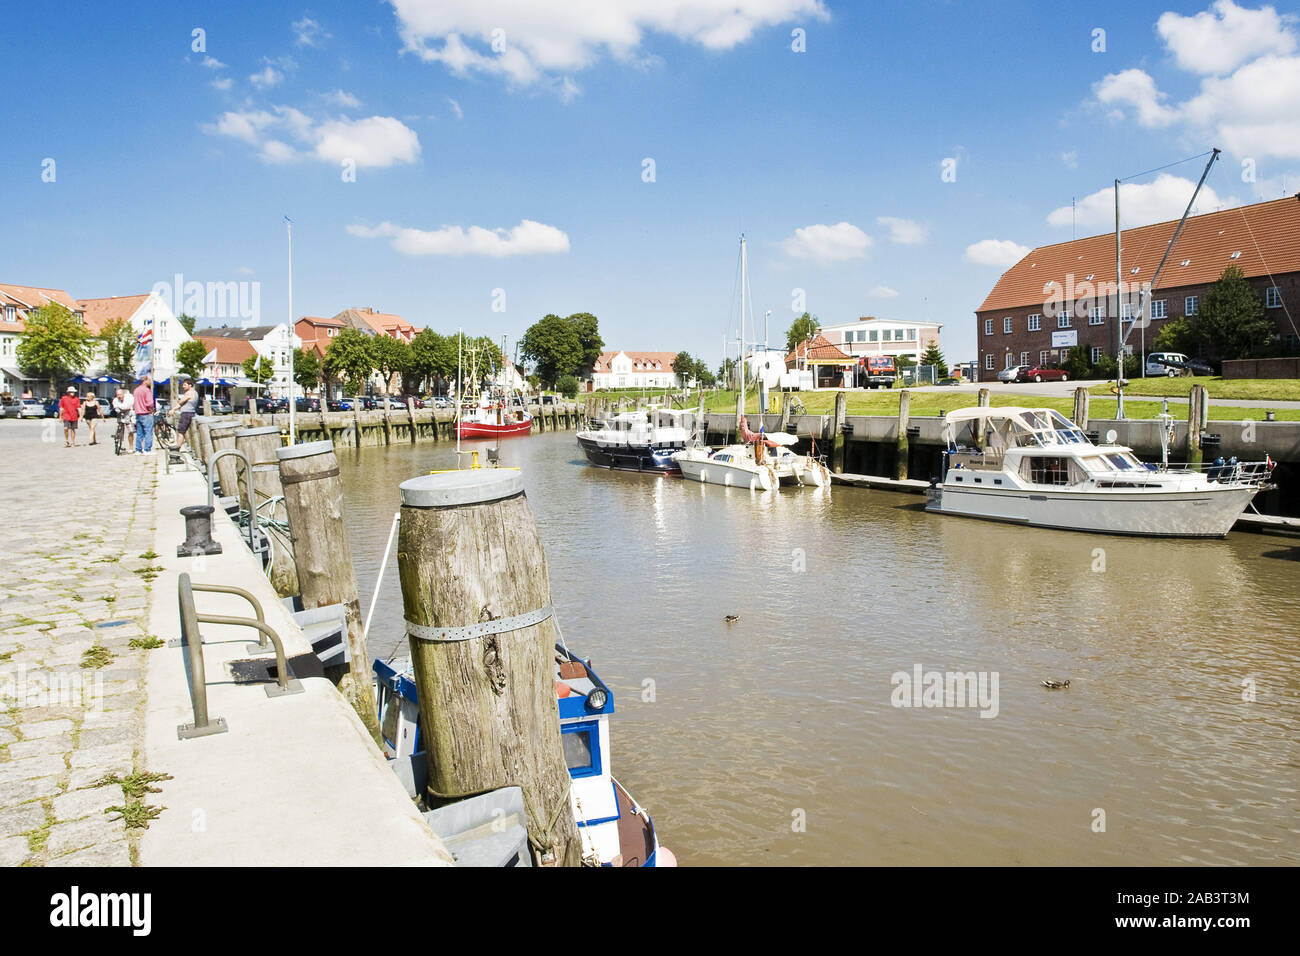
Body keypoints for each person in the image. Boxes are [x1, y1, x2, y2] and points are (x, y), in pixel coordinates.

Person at [133, 376, 156, 454]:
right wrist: (152, 410)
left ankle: (138, 449)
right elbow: (150, 403)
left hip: (138, 413)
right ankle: (147, 449)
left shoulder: (136, 390)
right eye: (149, 380)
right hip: (146, 413)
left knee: (139, 433)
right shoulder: (147, 390)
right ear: (145, 381)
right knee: (148, 432)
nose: (150, 382)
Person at [175, 379, 198, 445]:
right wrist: (173, 409)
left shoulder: (189, 393)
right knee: (185, 432)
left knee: (181, 432)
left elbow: (180, 402)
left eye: (185, 385)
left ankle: (177, 449)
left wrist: (180, 400)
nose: (183, 386)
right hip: (191, 412)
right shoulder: (195, 393)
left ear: (190, 385)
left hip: (186, 414)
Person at [111, 387, 134, 452]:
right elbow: (116, 407)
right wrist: (120, 408)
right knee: (119, 427)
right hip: (120, 414)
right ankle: (117, 438)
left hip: (128, 414)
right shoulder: (115, 400)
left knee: (130, 431)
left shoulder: (129, 398)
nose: (119, 396)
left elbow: (128, 407)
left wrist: (122, 408)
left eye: (120, 394)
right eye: (118, 395)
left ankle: (131, 447)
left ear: (123, 394)